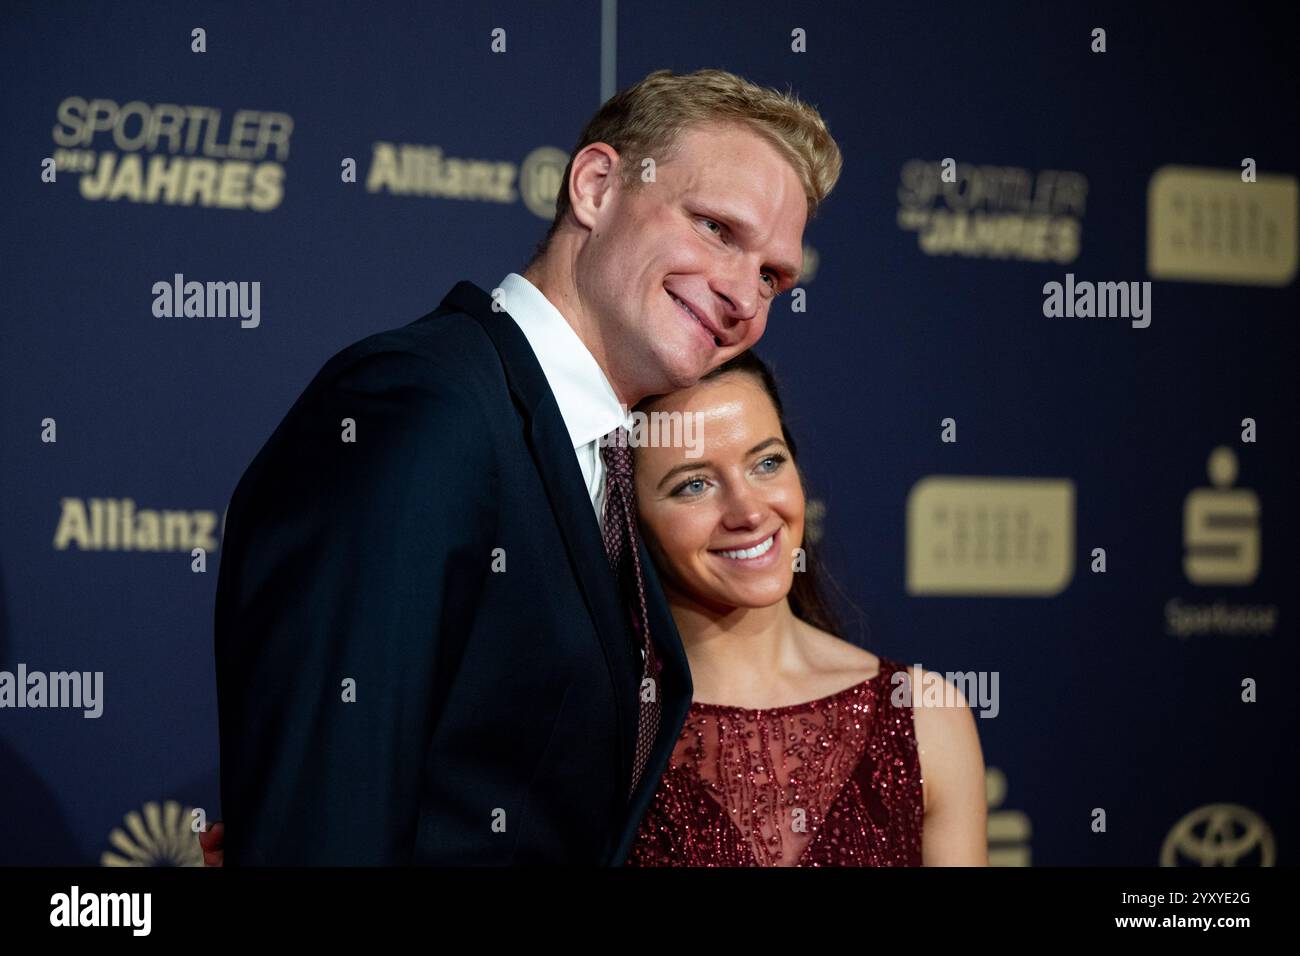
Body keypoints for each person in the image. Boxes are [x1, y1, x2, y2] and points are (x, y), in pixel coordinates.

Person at [212, 68, 840, 865]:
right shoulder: (423, 405)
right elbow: (329, 808)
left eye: (772, 276)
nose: (744, 297)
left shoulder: (597, 457)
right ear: (597, 186)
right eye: (717, 229)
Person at [204, 351, 988, 867]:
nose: (749, 510)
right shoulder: (589, 729)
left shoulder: (919, 716)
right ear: (627, 517)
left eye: (766, 461)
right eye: (692, 483)